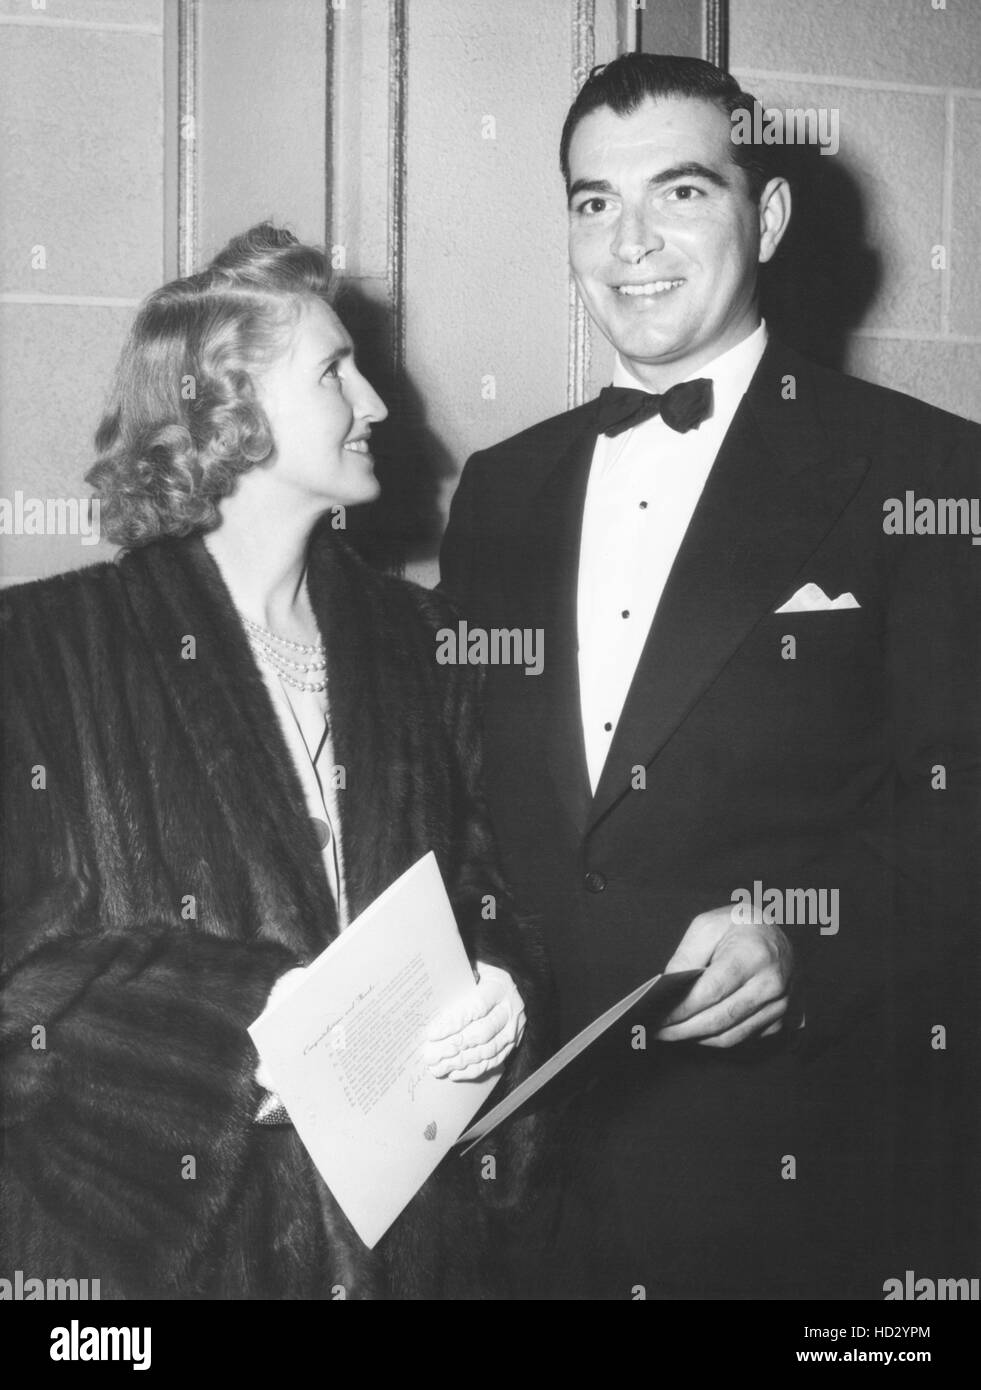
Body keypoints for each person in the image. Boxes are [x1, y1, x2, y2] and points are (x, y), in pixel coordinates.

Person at [440, 54, 980, 1299]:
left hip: (800, 1200)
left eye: (679, 193)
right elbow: (464, 803)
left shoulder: (925, 471)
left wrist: (809, 936)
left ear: (768, 216)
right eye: (592, 202)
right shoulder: (500, 491)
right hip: (522, 1193)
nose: (629, 242)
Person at [0, 223, 542, 1301]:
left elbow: (484, 882)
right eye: (336, 371)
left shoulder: (427, 646)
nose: (379, 405)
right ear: (224, 405)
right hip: (158, 1270)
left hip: (408, 1249)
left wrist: (503, 986)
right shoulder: (42, 652)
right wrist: (240, 1044)